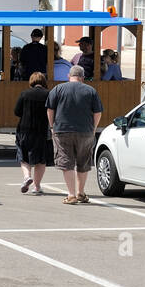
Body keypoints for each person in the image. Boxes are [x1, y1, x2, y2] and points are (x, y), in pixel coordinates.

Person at [46, 65, 103, 204]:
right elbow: (97, 112)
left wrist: (52, 126)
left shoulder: (58, 89)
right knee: (83, 162)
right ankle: (80, 193)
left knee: (66, 162)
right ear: (83, 77)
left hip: (62, 130)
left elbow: (50, 109)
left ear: (68, 76)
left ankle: (71, 194)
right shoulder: (91, 91)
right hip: (85, 131)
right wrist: (93, 128)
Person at [14, 72, 51, 194]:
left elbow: (17, 112)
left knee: (24, 157)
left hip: (24, 130)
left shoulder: (24, 94)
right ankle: (37, 186)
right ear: (44, 82)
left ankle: (27, 177)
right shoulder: (48, 94)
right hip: (41, 131)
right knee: (41, 160)